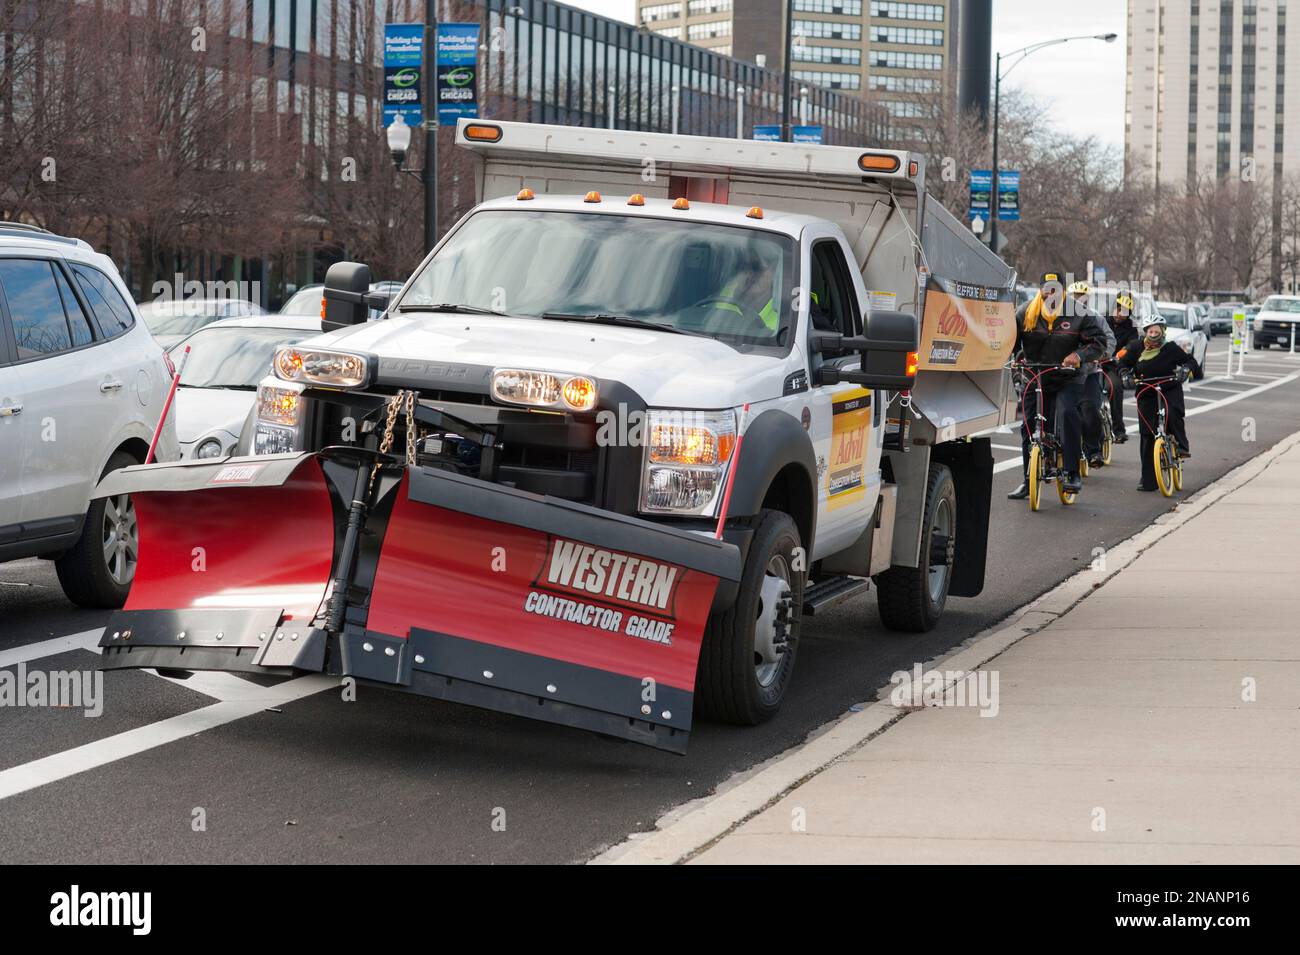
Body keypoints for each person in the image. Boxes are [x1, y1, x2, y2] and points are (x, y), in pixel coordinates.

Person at [1008, 271, 1110, 499]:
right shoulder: (1025, 312)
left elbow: (1099, 342)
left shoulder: (1079, 313)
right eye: (1046, 289)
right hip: (1035, 375)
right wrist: (1016, 355)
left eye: (1055, 290)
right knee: (1028, 425)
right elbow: (1010, 340)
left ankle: (1072, 472)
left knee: (1068, 413)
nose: (1049, 294)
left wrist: (1078, 354)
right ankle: (1027, 480)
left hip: (1068, 376)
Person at [1118, 313, 1201, 492]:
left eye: (1157, 330)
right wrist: (1125, 375)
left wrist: (1186, 369)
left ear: (1163, 331)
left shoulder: (1171, 348)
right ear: (1146, 331)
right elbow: (1123, 363)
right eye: (1150, 330)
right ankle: (1148, 479)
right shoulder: (1136, 347)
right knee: (1147, 434)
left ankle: (1181, 446)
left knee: (1173, 413)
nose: (1154, 333)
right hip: (1146, 390)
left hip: (1169, 387)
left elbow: (1190, 361)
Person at [1066, 281, 1115, 469]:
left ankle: (1093, 451)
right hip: (1065, 374)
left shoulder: (1095, 318)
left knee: (1089, 410)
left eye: (1082, 297)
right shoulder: (1060, 317)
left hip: (1089, 374)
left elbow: (1109, 340)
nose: (1079, 300)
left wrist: (1099, 355)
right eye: (1075, 296)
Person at [1102, 292, 1140, 444]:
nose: (1120, 314)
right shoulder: (1101, 320)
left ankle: (1119, 431)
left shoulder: (1132, 328)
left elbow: (1133, 346)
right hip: (1093, 363)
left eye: (1125, 311)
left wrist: (1123, 353)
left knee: (1115, 387)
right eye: (1118, 309)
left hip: (1113, 366)